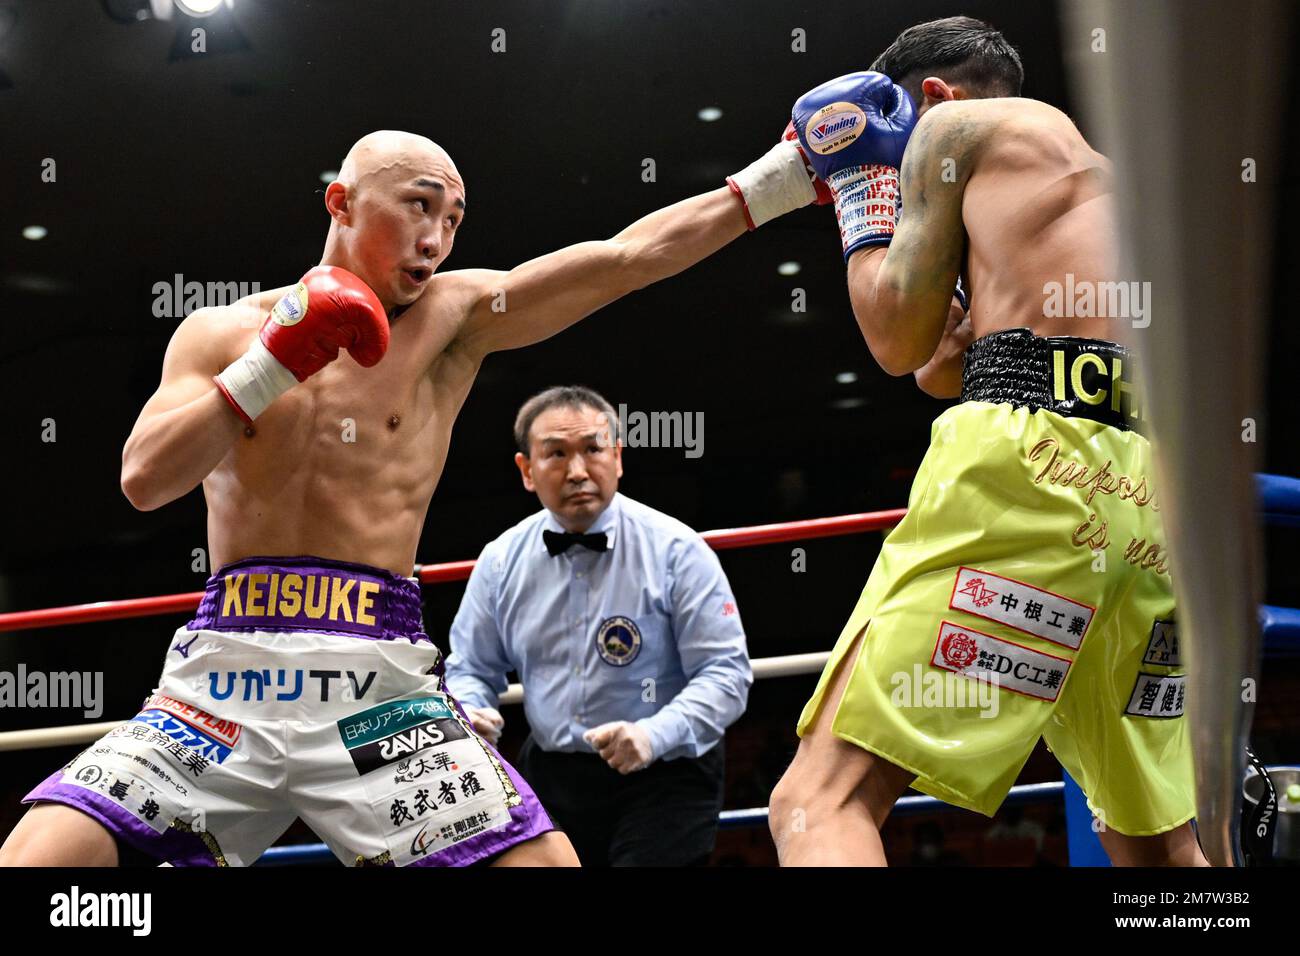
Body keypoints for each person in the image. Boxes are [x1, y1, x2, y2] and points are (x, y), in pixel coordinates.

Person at [0, 127, 820, 867]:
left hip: (378, 685)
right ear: (341, 202)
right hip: (224, 680)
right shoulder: (219, 333)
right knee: (40, 861)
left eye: (453, 220)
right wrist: (268, 367)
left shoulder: (453, 319)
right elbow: (143, 480)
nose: (435, 239)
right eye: (418, 207)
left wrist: (784, 174)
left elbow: (626, 258)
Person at [769, 17, 1203, 866]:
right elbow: (942, 366)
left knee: (819, 802)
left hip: (1030, 475)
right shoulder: (1109, 185)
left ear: (929, 98)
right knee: (1155, 847)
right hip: (1152, 499)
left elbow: (895, 341)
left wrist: (863, 190)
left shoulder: (951, 126)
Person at [446, 386, 751, 866]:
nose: (578, 471)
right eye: (557, 454)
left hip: (669, 771)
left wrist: (653, 735)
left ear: (618, 456)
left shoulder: (678, 550)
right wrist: (471, 712)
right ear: (527, 471)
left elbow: (726, 675)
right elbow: (471, 668)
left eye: (593, 449)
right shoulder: (502, 561)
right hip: (551, 771)